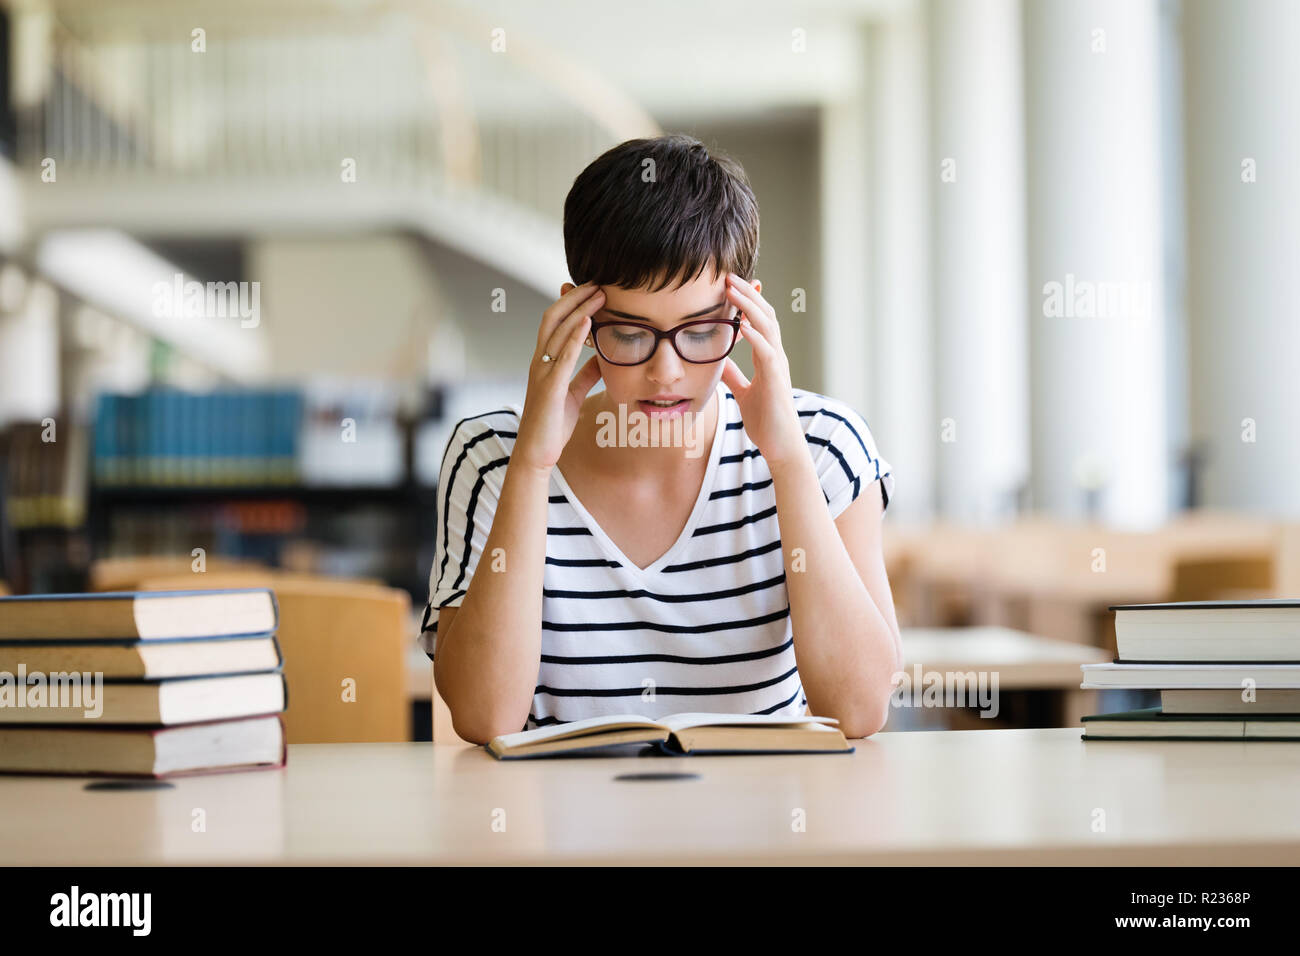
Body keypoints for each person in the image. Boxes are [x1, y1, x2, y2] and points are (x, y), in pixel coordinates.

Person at [421, 134, 900, 744]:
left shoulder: (825, 445)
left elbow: (860, 710)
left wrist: (787, 461)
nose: (666, 372)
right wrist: (533, 467)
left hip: (769, 806)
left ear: (746, 316)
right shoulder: (492, 455)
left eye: (700, 332)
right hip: (560, 808)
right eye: (629, 333)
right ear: (576, 320)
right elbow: (483, 716)